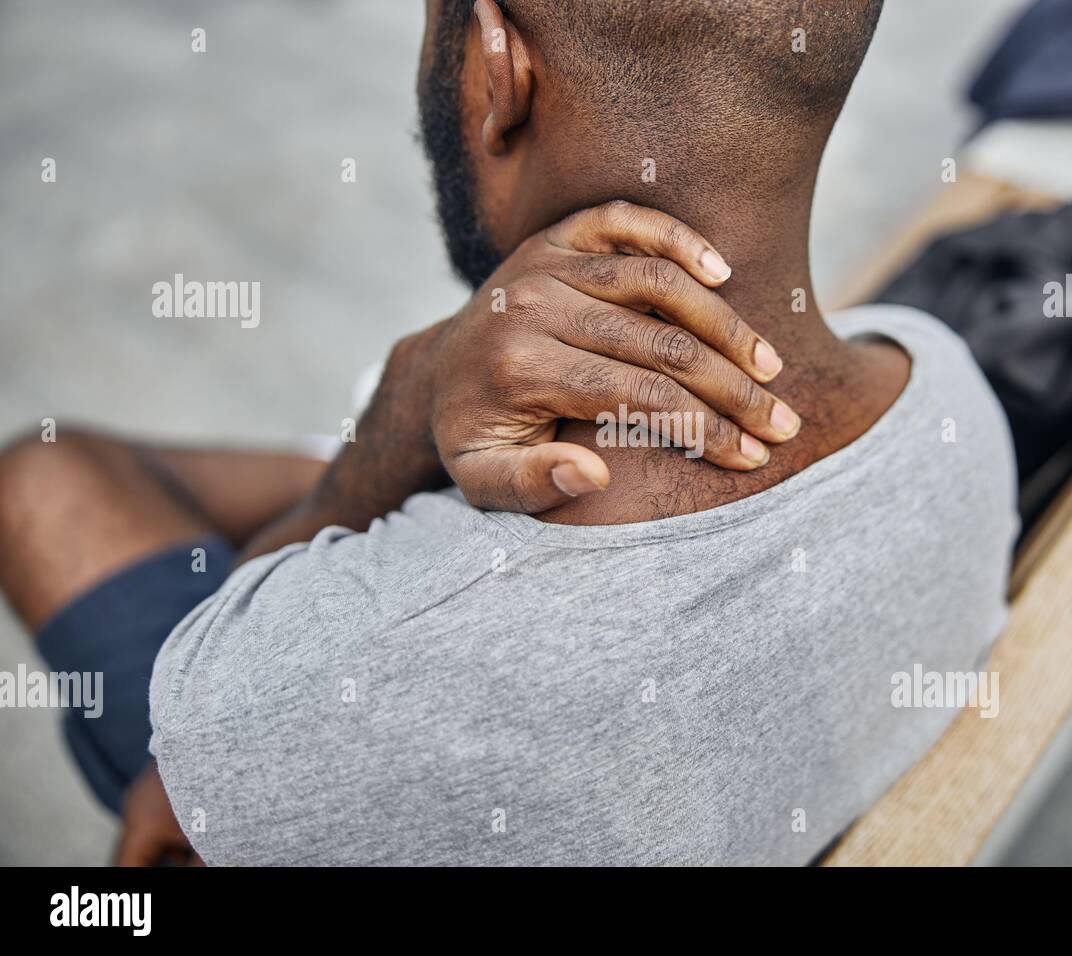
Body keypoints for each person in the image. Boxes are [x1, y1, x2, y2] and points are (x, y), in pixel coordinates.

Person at [0, 0, 1017, 865]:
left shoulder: (310, 690)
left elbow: (164, 818)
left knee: (42, 476)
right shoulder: (945, 390)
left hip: (329, 701)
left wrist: (379, 448)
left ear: (498, 73)